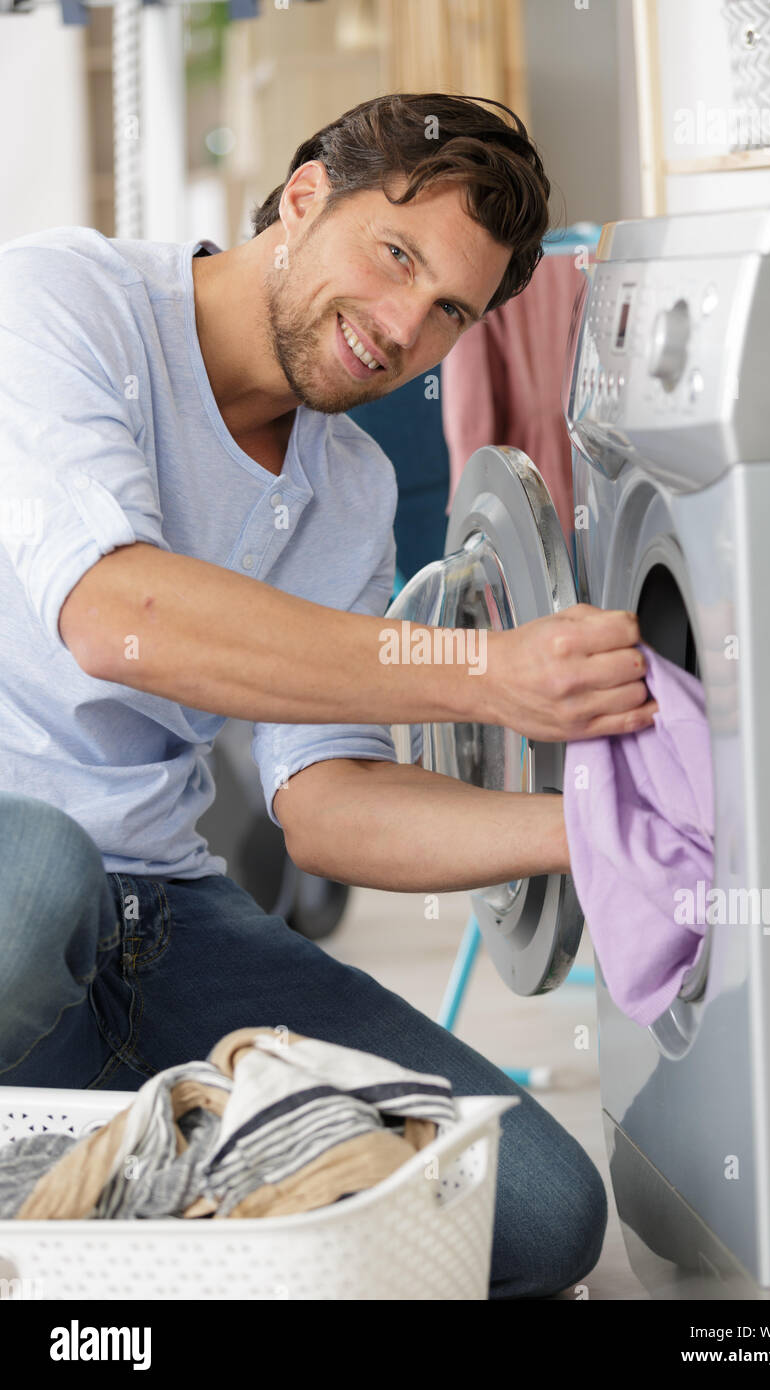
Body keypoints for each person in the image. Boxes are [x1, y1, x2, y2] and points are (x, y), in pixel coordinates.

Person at [0, 93, 656, 1299]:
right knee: (37, 868)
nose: (403, 326)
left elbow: (327, 804)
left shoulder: (344, 484)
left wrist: (602, 835)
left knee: (534, 1215)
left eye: (449, 309)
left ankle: (99, 1178)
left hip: (159, 923)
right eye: (394, 255)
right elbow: (118, 617)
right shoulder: (61, 302)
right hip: (13, 880)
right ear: (304, 197)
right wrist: (483, 676)